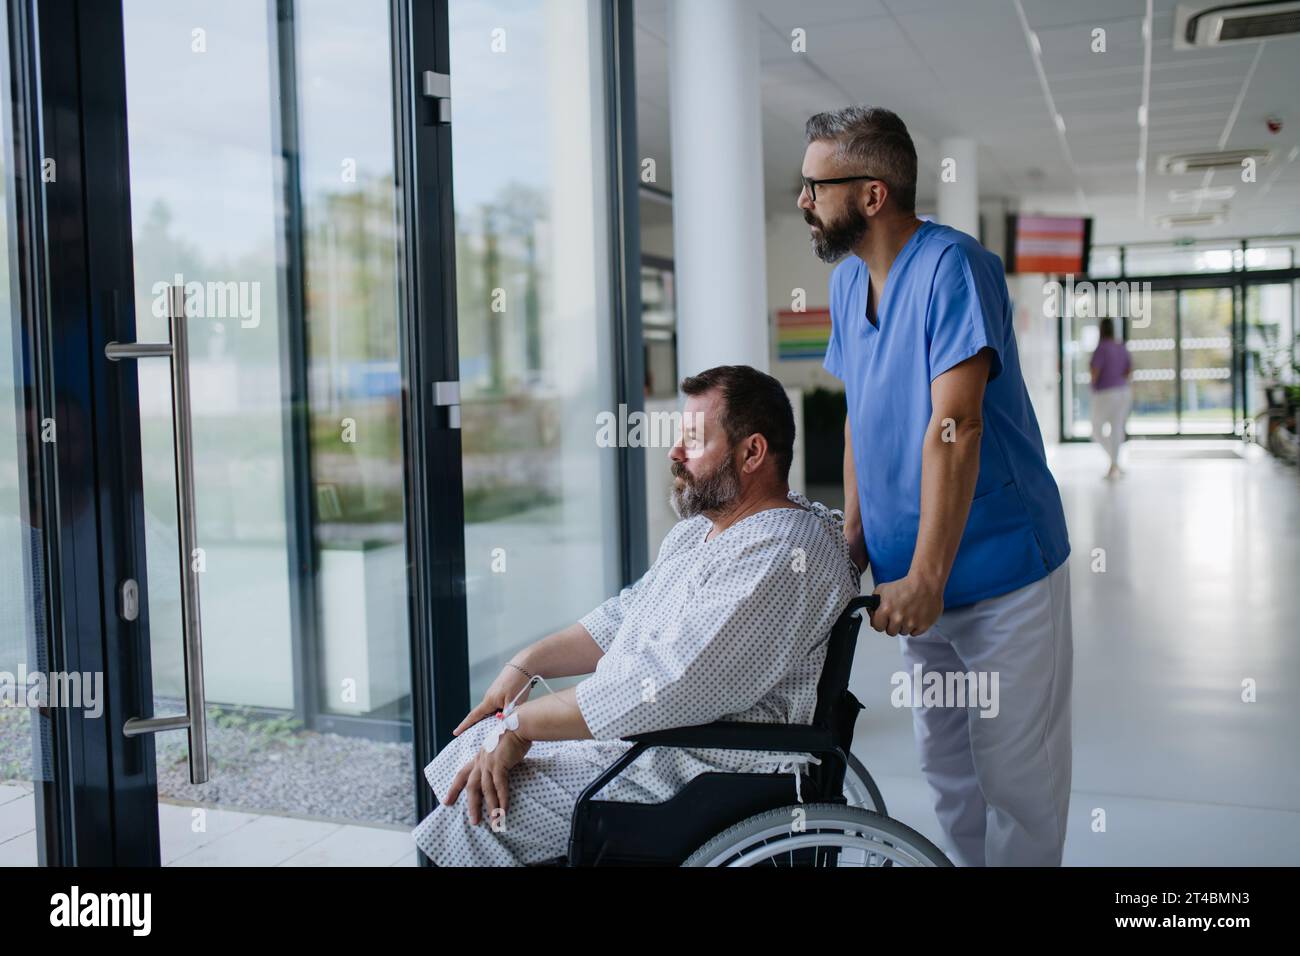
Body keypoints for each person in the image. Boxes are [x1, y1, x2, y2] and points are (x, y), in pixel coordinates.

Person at [411, 365, 859, 866]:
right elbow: (622, 617)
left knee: (470, 814)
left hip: (694, 769)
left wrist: (519, 727)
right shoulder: (703, 532)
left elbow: (668, 684)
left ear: (752, 452)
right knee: (470, 761)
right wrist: (526, 664)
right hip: (650, 745)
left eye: (693, 439)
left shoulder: (779, 553)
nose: (673, 453)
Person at [800, 106, 1073, 866]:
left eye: (815, 185)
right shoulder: (852, 284)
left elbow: (958, 427)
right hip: (914, 587)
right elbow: (860, 421)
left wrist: (926, 573)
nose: (804, 201)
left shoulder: (955, 267)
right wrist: (853, 543)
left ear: (873, 194)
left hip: (1000, 573)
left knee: (1018, 779)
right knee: (950, 777)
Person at [1089, 317, 1132, 478]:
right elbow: (1128, 371)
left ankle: (1114, 463)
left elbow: (1095, 372)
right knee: (1117, 429)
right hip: (1123, 391)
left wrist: (1093, 387)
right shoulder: (1121, 347)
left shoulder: (1101, 348)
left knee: (1096, 429)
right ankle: (1115, 464)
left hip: (1105, 393)